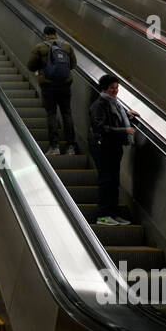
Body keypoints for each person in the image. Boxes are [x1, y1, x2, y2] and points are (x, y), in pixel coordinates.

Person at [87, 74, 139, 226]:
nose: (115, 91)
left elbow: (114, 119)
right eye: (112, 88)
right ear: (104, 88)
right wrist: (124, 130)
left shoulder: (114, 103)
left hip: (114, 147)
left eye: (117, 87)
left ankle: (114, 214)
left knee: (114, 181)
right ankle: (103, 216)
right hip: (102, 147)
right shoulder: (99, 104)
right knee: (106, 180)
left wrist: (126, 116)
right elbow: (100, 128)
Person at [27, 24, 78, 156]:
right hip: (65, 85)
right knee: (67, 114)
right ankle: (71, 147)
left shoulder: (39, 47)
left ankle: (54, 146)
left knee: (52, 114)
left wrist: (41, 70)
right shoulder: (67, 46)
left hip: (48, 86)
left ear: (45, 35)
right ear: (56, 33)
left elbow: (31, 66)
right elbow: (73, 65)